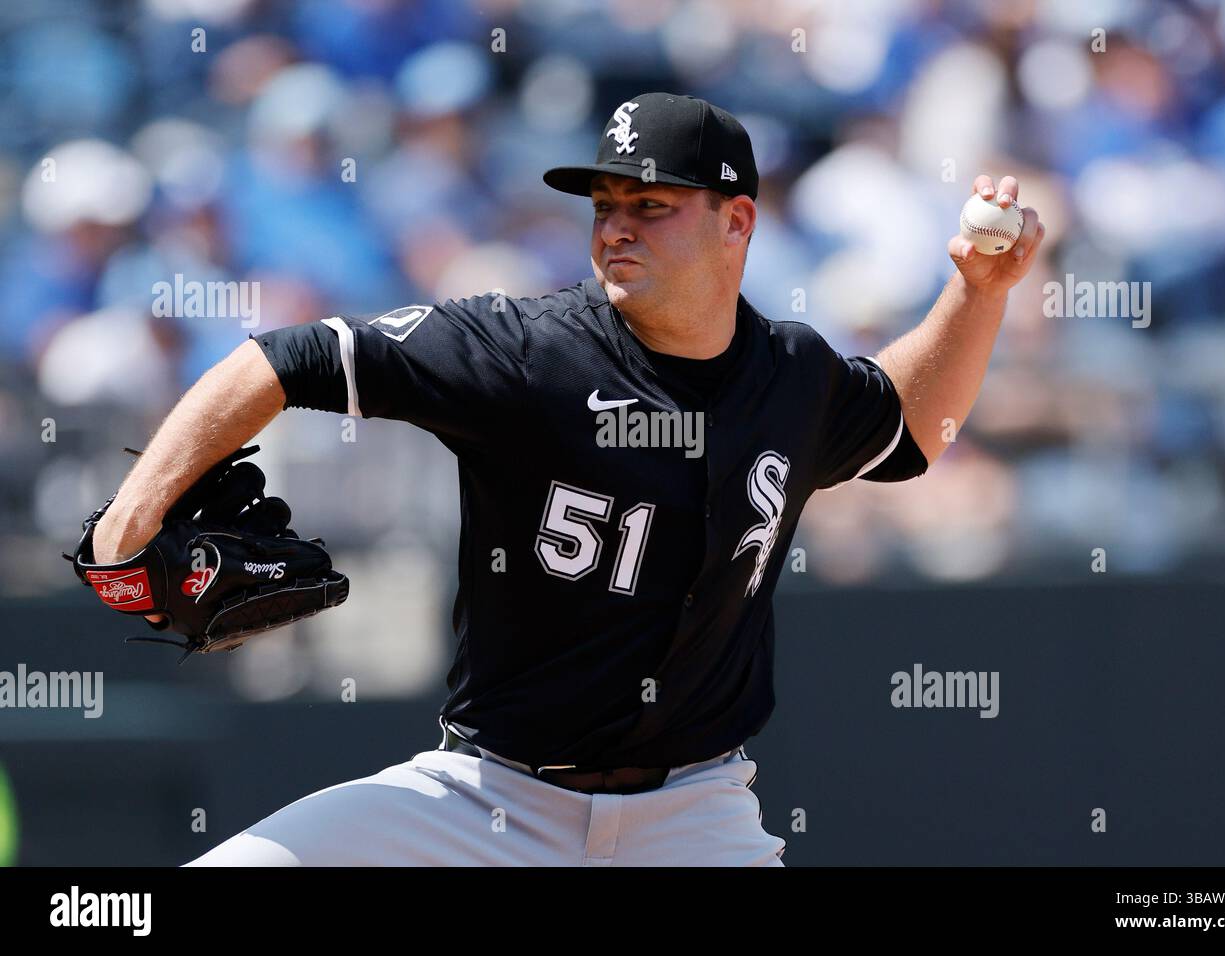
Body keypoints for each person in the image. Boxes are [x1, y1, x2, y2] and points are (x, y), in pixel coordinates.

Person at [91, 92, 1044, 866]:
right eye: (604, 207)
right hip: (484, 805)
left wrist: (976, 293)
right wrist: (135, 514)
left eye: (650, 206)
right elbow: (289, 358)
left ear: (736, 221)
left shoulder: (790, 377)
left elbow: (914, 431)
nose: (616, 229)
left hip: (694, 820)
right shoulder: (525, 352)